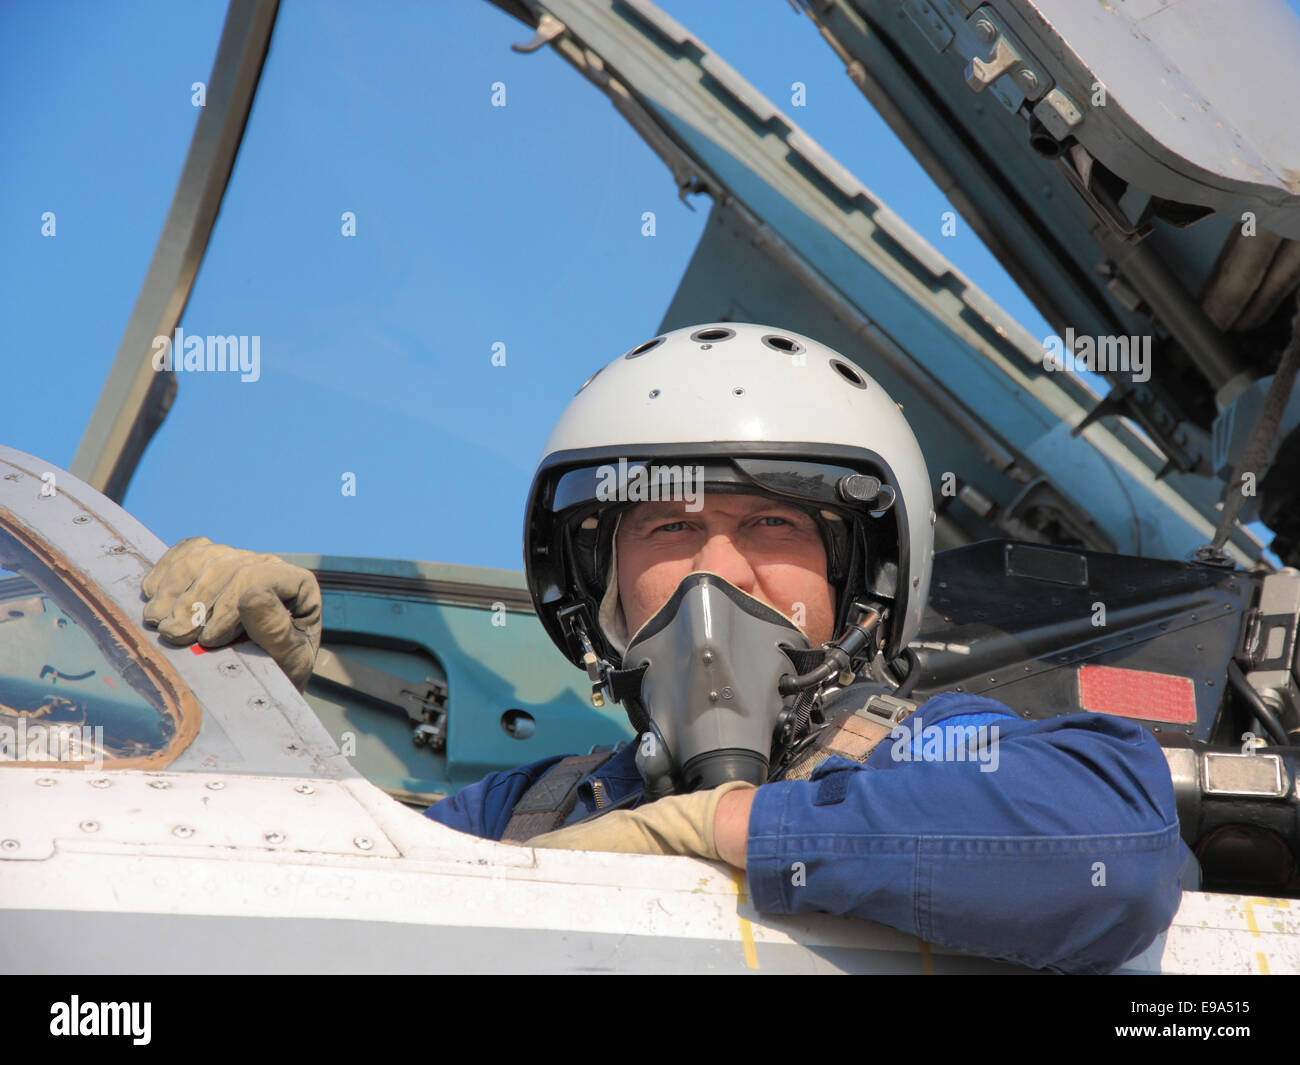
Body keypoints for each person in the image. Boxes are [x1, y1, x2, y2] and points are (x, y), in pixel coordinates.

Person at [141, 323, 1191, 974]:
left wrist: (712, 827)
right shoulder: (525, 814)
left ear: (865, 585)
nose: (715, 578)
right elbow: (289, 914)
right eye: (669, 529)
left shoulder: (927, 750)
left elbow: (1105, 856)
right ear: (594, 587)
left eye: (775, 527)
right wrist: (247, 716)